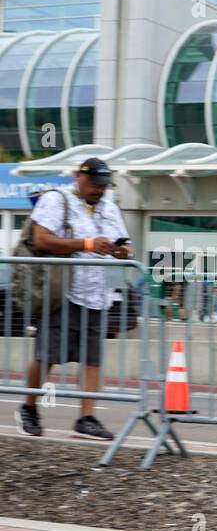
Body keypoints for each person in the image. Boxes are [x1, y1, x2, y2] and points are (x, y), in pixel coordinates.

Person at [16, 157, 132, 440]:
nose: (99, 190)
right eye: (94, 184)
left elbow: (124, 244)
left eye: (104, 185)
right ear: (78, 177)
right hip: (61, 291)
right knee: (47, 356)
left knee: (93, 359)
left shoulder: (108, 207)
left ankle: (86, 417)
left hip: (95, 294)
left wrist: (122, 251)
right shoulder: (58, 200)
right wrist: (88, 244)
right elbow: (42, 239)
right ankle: (29, 408)